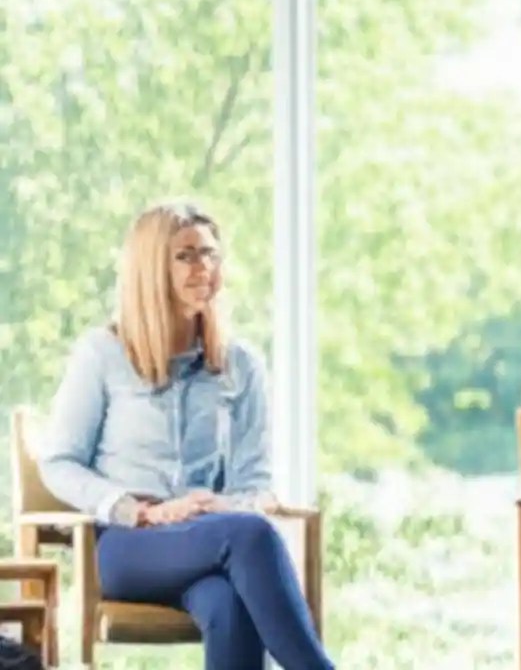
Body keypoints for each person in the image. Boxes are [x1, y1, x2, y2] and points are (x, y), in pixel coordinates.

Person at [37, 201, 333, 670]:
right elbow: (58, 462)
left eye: (212, 254)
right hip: (128, 544)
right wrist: (137, 511)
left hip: (210, 536)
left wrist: (219, 506)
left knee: (228, 605)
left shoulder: (242, 365)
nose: (205, 268)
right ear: (152, 268)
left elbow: (253, 483)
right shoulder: (102, 353)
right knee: (251, 536)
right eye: (187, 256)